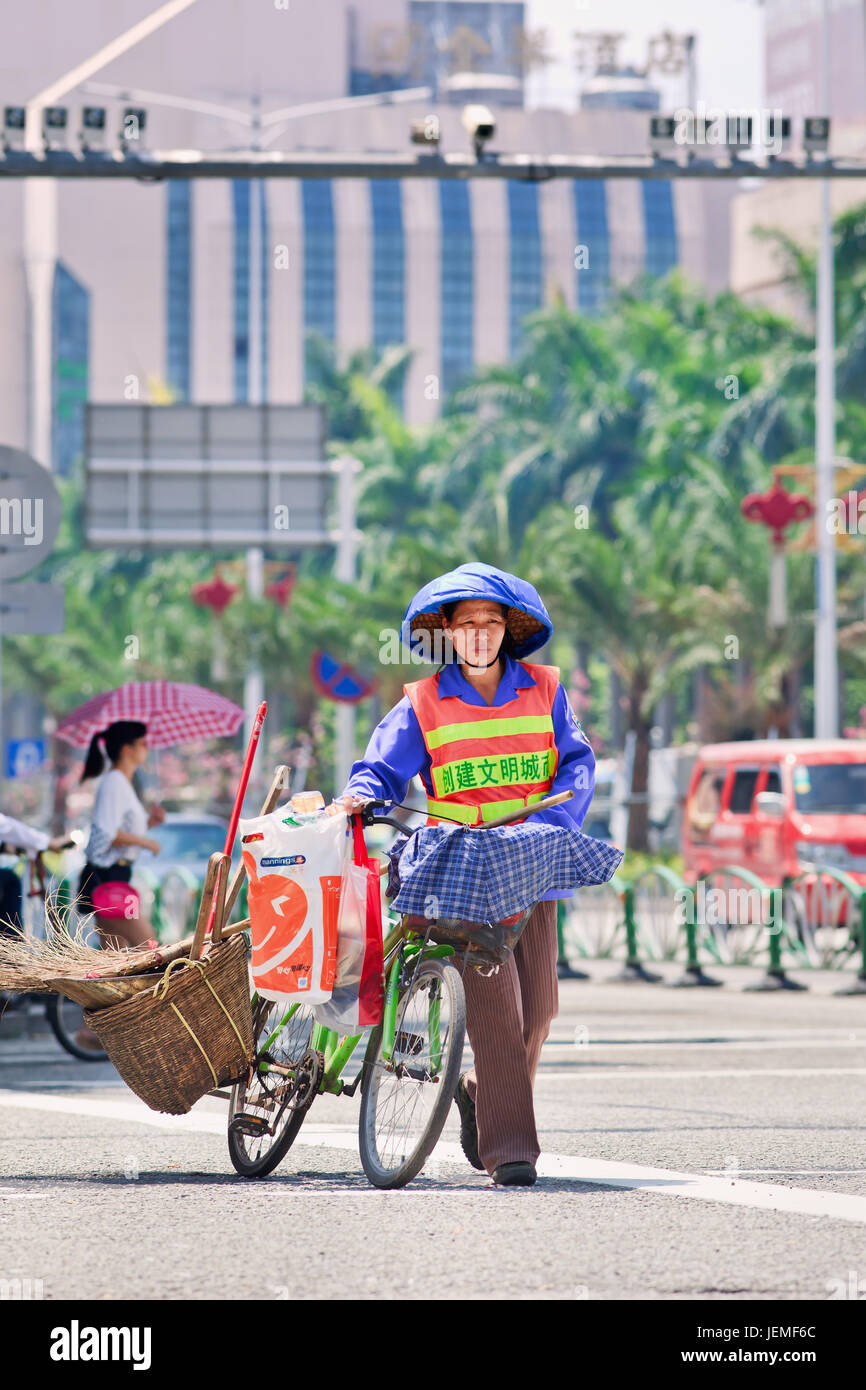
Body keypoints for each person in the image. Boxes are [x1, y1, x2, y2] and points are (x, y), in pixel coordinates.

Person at [334, 562, 599, 1188]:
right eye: (467, 625)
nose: (480, 634)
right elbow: (380, 768)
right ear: (448, 634)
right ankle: (510, 1151)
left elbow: (577, 766)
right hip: (464, 870)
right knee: (497, 1010)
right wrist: (359, 796)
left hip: (535, 863)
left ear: (507, 630)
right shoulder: (423, 702)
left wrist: (556, 821)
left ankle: (480, 1090)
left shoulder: (546, 689)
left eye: (491, 623)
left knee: (540, 1013)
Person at [75, 720, 165, 1051]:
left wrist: (150, 822)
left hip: (113, 878)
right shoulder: (115, 782)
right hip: (108, 879)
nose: (147, 748)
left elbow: (118, 831)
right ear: (127, 748)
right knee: (151, 953)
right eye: (143, 743)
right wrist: (147, 840)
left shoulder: (122, 784)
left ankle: (98, 1032)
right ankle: (141, 1028)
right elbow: (108, 834)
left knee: (115, 963)